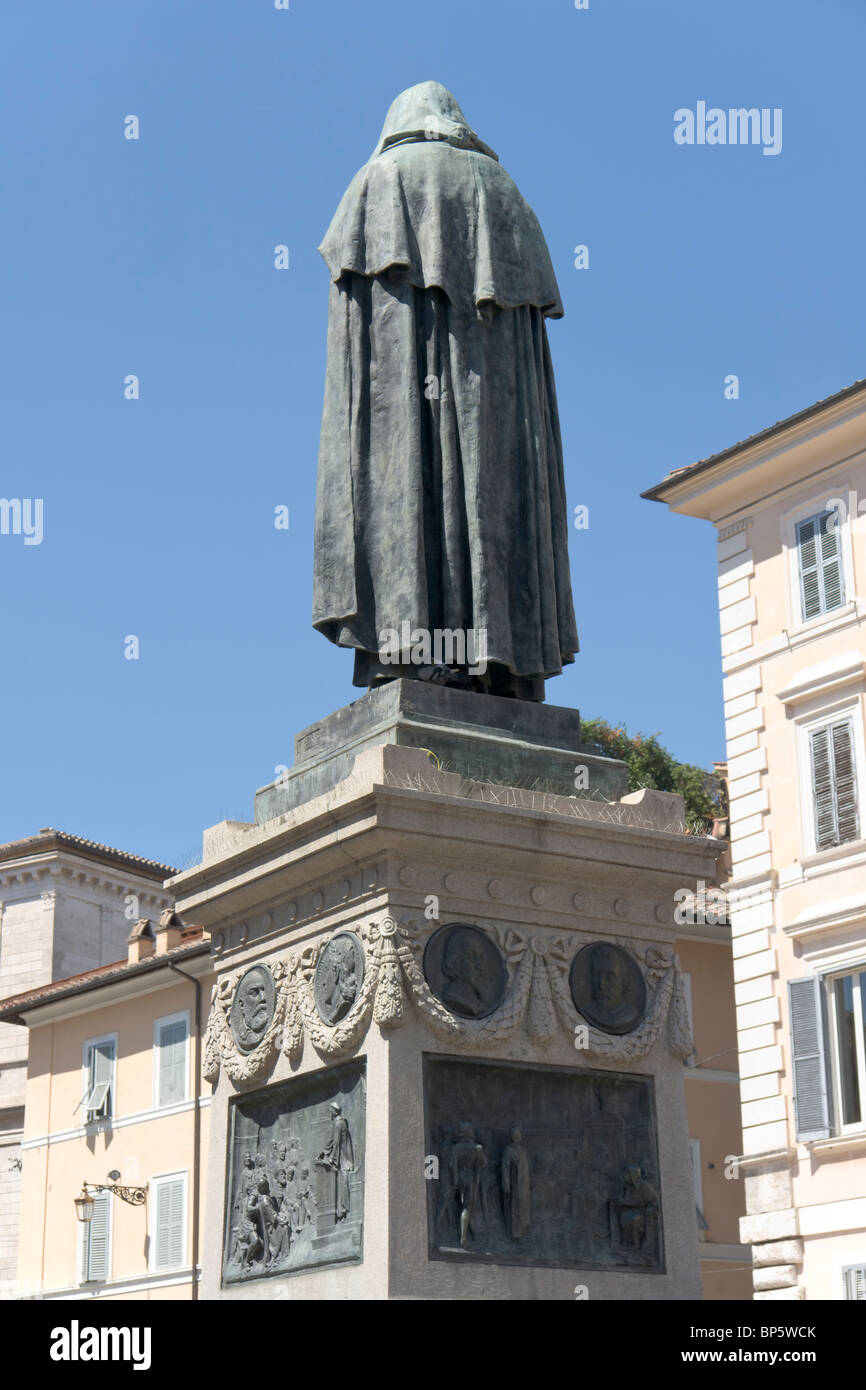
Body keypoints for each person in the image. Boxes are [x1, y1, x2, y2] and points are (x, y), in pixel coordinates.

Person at [313, 82, 578, 701]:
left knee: (406, 481)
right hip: (498, 421)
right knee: (495, 492)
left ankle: (410, 652)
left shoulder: (377, 183)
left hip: (403, 406)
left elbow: (357, 358)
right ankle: (502, 663)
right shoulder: (507, 196)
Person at [315, 1102, 355, 1221]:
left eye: (331, 1110)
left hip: (344, 1160)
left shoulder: (338, 1123)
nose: (330, 1112)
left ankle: (344, 1212)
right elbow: (331, 1139)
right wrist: (323, 1152)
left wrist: (332, 1160)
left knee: (343, 1185)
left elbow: (336, 1143)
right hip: (343, 1158)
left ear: (334, 1111)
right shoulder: (339, 1122)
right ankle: (341, 1211)